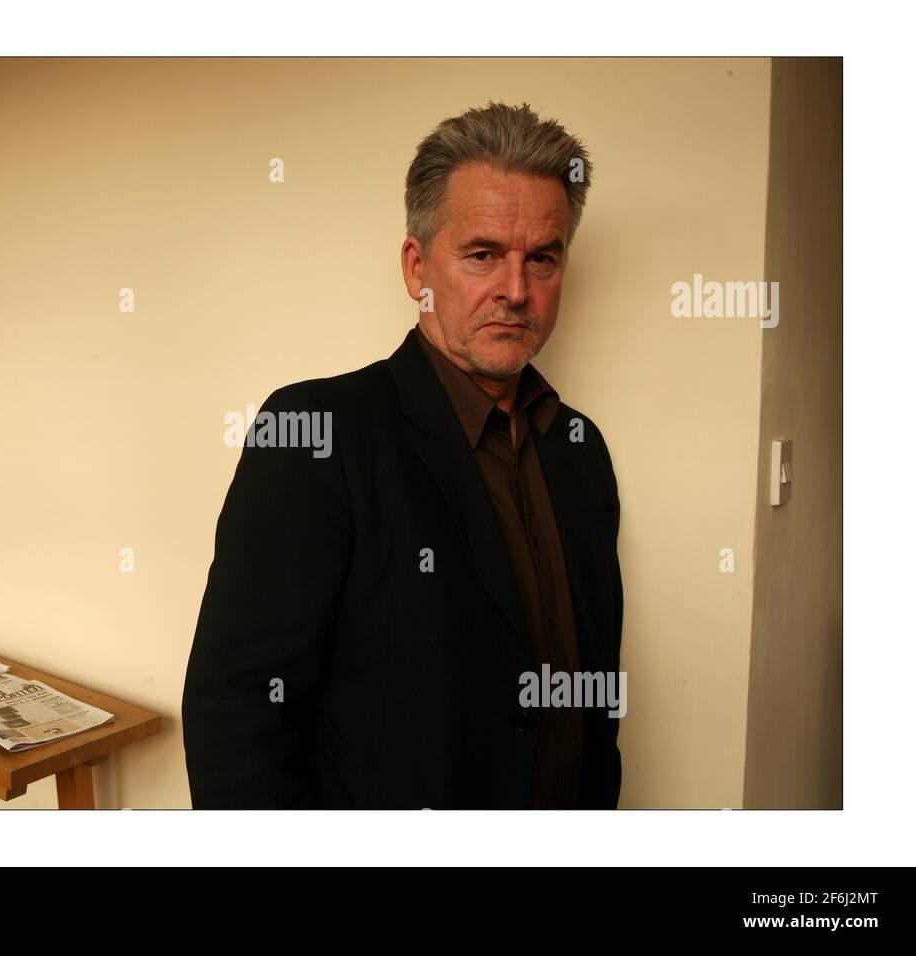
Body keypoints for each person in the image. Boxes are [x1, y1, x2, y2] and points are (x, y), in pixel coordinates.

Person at [183, 102, 623, 809]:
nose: (516, 290)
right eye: (482, 254)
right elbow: (237, 717)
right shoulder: (314, 431)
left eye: (542, 258)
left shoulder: (582, 450)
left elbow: (594, 696)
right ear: (418, 267)